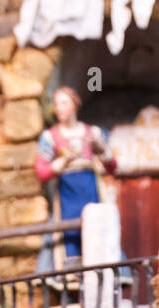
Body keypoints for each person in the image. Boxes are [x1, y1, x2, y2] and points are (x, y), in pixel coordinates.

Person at [34, 86, 118, 283]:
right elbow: (42, 171)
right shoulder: (50, 137)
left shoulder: (93, 133)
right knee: (68, 236)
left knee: (95, 231)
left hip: (90, 191)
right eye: (56, 104)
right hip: (67, 195)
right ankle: (70, 278)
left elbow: (113, 166)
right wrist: (62, 162)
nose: (59, 108)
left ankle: (100, 275)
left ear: (74, 104)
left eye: (63, 103)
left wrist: (101, 149)